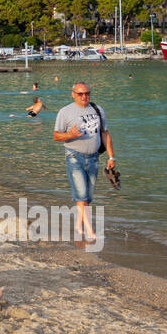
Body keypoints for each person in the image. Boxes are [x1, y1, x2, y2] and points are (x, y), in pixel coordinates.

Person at [52, 82, 116, 246]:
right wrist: (69, 134)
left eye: (87, 93)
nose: (84, 96)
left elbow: (105, 134)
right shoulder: (65, 112)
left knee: (88, 195)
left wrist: (111, 157)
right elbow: (56, 136)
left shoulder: (97, 110)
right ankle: (90, 229)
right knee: (82, 194)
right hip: (74, 156)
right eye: (80, 94)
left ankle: (78, 226)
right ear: (73, 94)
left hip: (94, 157)